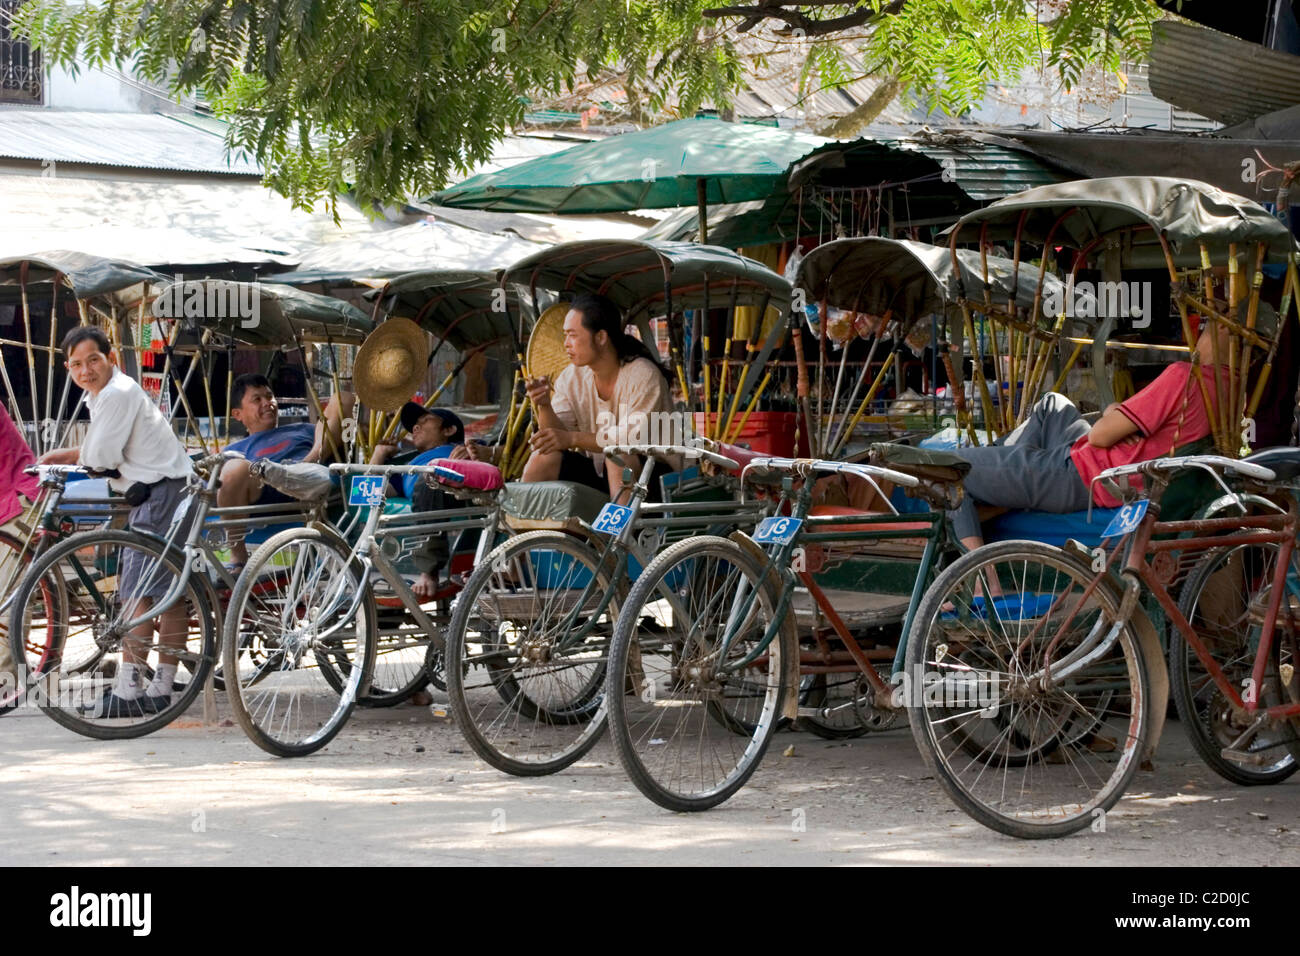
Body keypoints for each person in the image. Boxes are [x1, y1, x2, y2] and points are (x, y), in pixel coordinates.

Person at [949, 319, 1234, 551]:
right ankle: (1008, 486)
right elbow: (1109, 428)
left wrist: (1113, 417)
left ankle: (983, 584)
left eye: (1207, 325)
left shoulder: (1184, 376)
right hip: (1099, 463)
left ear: (1224, 331)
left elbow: (1099, 436)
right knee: (1053, 405)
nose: (1199, 332)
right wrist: (1115, 415)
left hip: (1083, 475)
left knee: (950, 468)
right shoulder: (1231, 391)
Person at [38, 326, 195, 717]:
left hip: (161, 494)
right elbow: (102, 448)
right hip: (168, 490)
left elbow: (101, 458)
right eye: (76, 364)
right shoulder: (108, 394)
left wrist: (76, 462)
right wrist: (63, 455)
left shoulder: (116, 394)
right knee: (166, 594)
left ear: (111, 359)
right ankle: (159, 686)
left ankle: (128, 691)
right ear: (67, 368)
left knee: (137, 592)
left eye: (93, 360)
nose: (85, 370)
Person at [523, 293, 680, 501]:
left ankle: (617, 533)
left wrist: (572, 438)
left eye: (573, 335)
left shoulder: (643, 374)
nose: (566, 344)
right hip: (603, 476)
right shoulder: (571, 376)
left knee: (617, 455)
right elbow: (556, 436)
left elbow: (628, 440)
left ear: (600, 337)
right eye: (565, 335)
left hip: (657, 481)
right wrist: (543, 405)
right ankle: (521, 531)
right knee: (543, 456)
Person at [217, 373, 354, 566]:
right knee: (232, 469)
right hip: (263, 489)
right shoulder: (234, 450)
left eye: (269, 396)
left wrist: (310, 459)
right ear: (237, 414)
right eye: (257, 399)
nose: (267, 403)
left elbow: (347, 408)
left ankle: (301, 466)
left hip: (308, 481)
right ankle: (238, 556)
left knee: (344, 398)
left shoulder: (304, 429)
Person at [372, 403, 466, 605]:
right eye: (414, 425)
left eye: (425, 421)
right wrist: (379, 453)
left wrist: (471, 454)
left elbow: (483, 455)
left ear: (449, 430)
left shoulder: (457, 450)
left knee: (430, 478)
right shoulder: (409, 467)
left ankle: (429, 572)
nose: (415, 427)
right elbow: (369, 492)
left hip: (454, 492)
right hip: (424, 493)